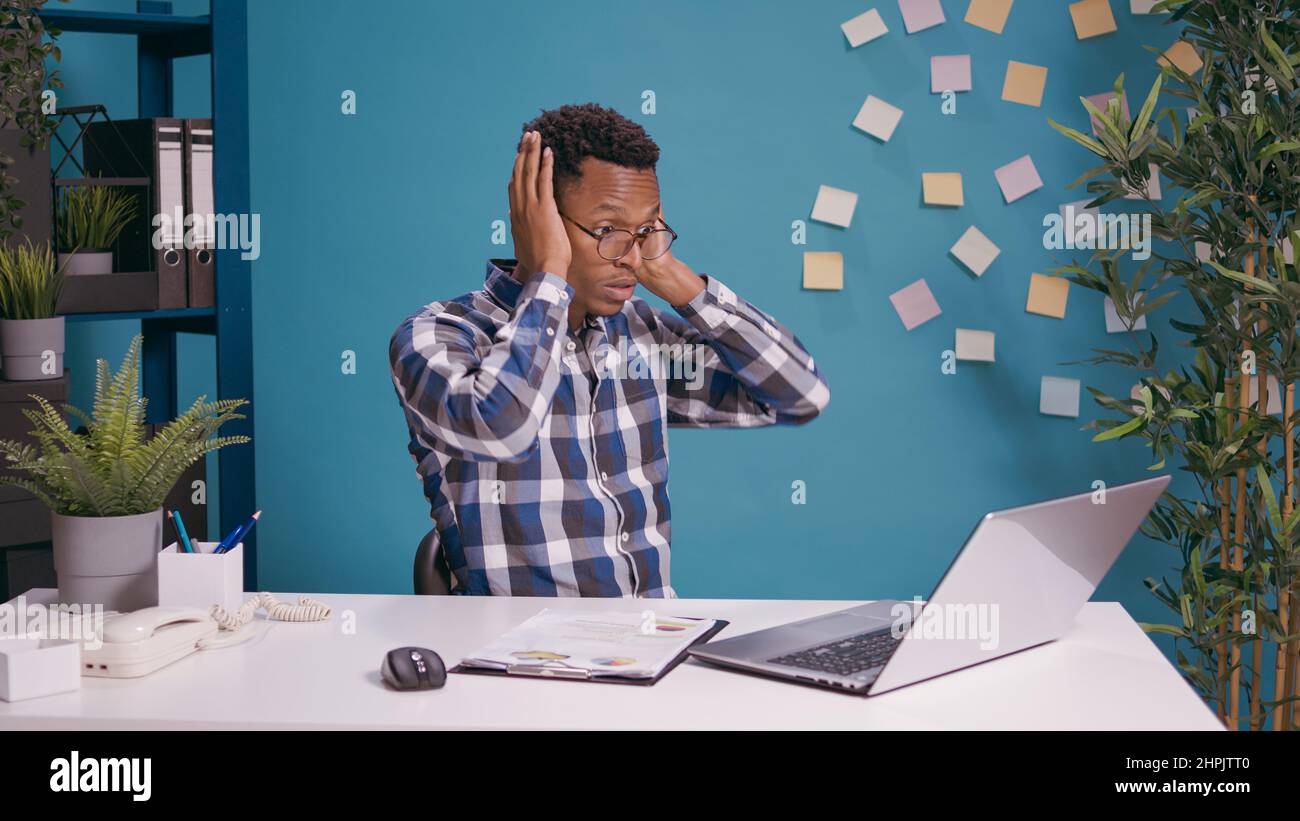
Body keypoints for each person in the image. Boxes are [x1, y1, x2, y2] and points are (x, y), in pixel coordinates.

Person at [389, 102, 829, 596]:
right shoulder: (440, 335)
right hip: (518, 660)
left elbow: (799, 394)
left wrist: (674, 278)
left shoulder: (639, 338)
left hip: (648, 646)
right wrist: (549, 274)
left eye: (642, 232)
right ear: (542, 222)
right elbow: (501, 430)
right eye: (607, 232)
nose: (631, 256)